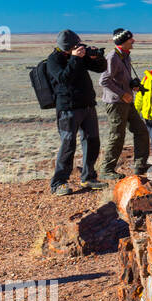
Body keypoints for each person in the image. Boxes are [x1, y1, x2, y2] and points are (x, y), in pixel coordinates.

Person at [46, 29, 107, 196]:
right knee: (68, 145)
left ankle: (88, 177)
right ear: (67, 47)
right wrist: (74, 58)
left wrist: (97, 57)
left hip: (87, 105)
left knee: (92, 141)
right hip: (68, 109)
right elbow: (64, 78)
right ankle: (58, 183)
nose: (79, 47)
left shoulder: (79, 56)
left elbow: (100, 68)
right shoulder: (54, 60)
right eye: (75, 45)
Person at [98, 27, 150, 181]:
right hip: (115, 103)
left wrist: (131, 85)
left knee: (141, 131)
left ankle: (140, 165)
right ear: (122, 42)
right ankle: (106, 169)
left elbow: (119, 78)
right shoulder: (113, 57)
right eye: (130, 39)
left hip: (126, 102)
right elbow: (104, 80)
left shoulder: (125, 56)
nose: (133, 41)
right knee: (117, 136)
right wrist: (122, 93)